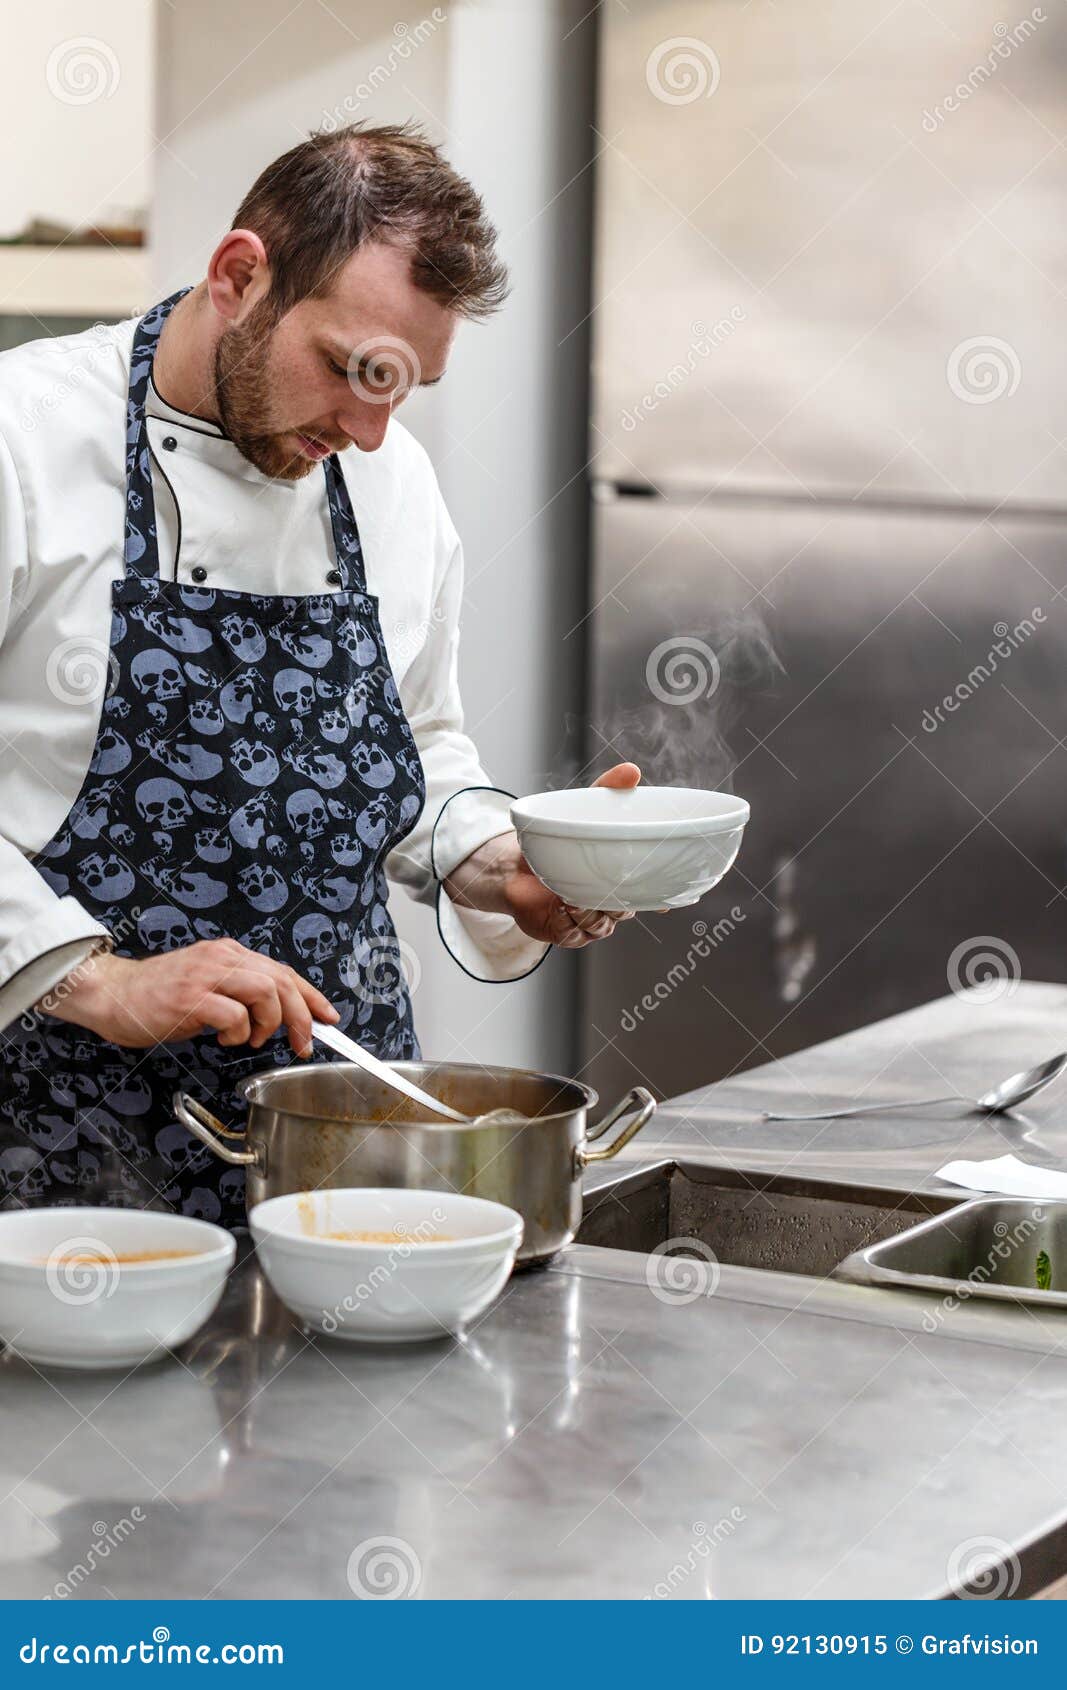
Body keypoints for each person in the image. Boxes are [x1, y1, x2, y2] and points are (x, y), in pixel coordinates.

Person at [0, 122, 641, 1225]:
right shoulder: (23, 436)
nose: (371, 430)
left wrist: (503, 865)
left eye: (405, 386)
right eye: (352, 369)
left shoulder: (389, 481)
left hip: (339, 1126)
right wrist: (98, 980)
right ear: (238, 275)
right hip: (53, 1125)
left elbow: (415, 744)